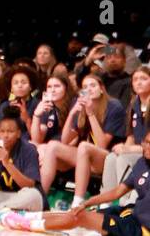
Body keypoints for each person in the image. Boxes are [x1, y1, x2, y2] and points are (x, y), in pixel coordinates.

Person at [0, 130, 150, 236]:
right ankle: (26, 216)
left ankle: (27, 225)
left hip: (142, 229)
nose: (147, 146)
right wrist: (86, 202)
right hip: (132, 213)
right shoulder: (142, 163)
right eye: (146, 142)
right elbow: (117, 192)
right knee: (81, 211)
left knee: (81, 217)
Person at [35, 71, 128, 202]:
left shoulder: (113, 106)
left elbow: (102, 145)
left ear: (101, 89)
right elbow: (65, 140)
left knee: (83, 146)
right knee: (52, 146)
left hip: (107, 158)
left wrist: (90, 113)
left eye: (93, 85)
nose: (89, 89)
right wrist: (72, 113)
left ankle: (78, 201)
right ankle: (40, 198)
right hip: (83, 156)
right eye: (85, 87)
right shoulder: (80, 106)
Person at [77, 65, 150, 204]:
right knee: (112, 157)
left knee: (124, 158)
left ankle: (125, 204)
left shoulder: (115, 105)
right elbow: (131, 136)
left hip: (146, 153)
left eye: (144, 79)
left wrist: (129, 149)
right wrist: (124, 147)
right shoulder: (134, 104)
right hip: (138, 150)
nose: (139, 82)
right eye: (135, 80)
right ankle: (105, 204)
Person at [29, 72, 74, 148]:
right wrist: (36, 115)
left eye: (57, 86)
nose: (52, 90)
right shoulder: (47, 106)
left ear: (66, 88)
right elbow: (36, 140)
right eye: (49, 87)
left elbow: (74, 139)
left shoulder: (74, 104)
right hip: (49, 149)